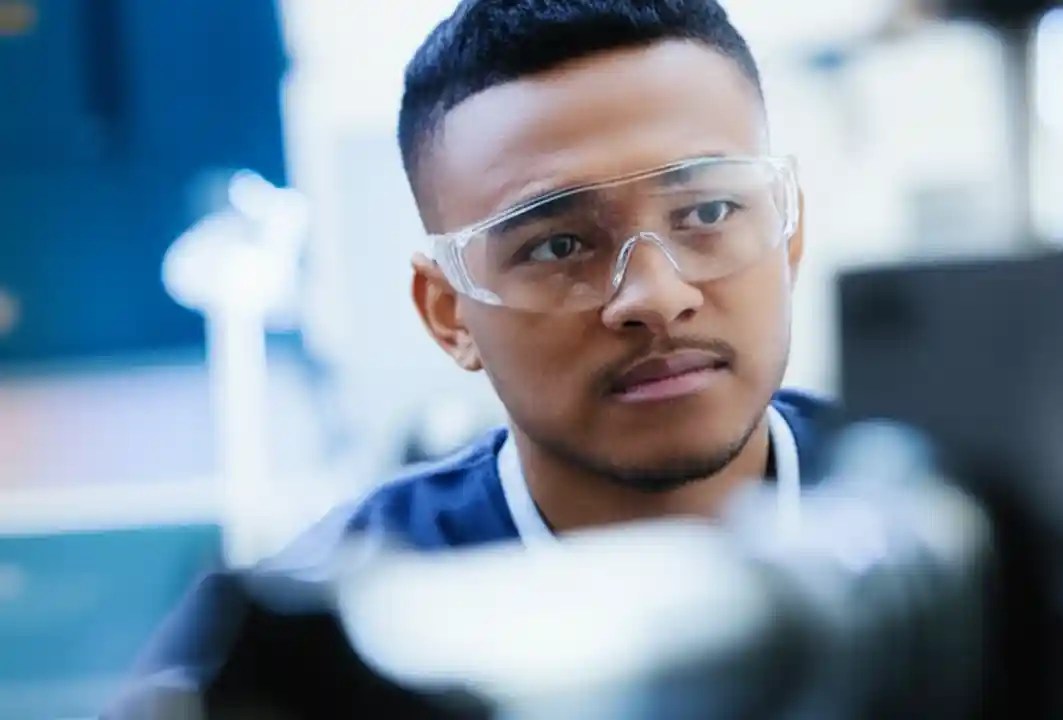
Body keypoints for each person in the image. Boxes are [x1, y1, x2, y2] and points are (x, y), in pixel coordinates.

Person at [110, 0, 836, 715]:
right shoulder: (308, 655)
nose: (655, 296)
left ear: (790, 234)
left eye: (709, 212)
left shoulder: (905, 511)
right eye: (559, 246)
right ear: (448, 313)